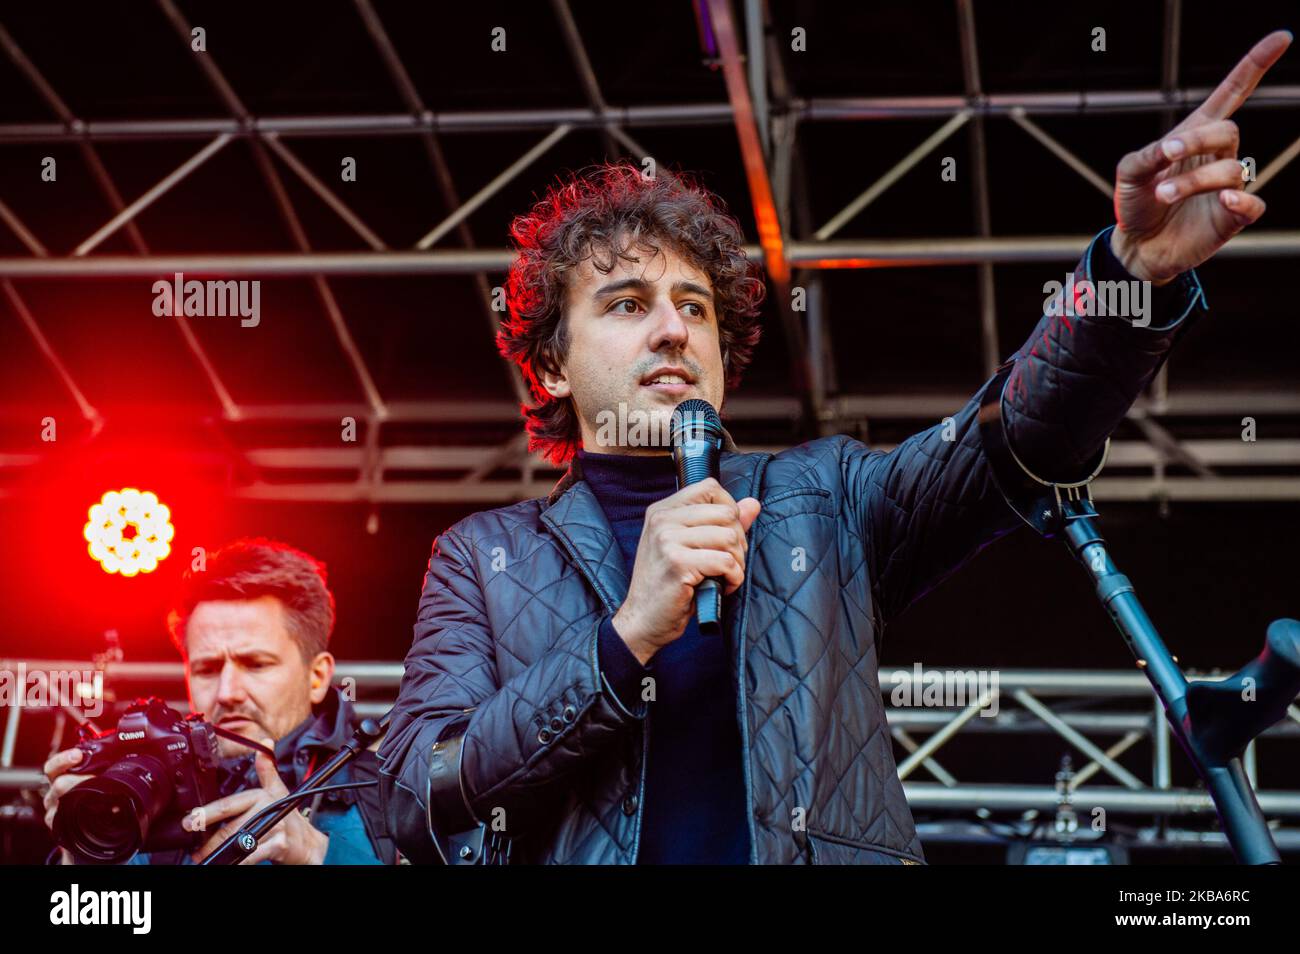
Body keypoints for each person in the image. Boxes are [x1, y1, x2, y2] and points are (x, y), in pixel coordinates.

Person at [378, 32, 1291, 864]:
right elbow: (412, 800)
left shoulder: (824, 497)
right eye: (627, 304)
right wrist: (622, 643)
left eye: (694, 307)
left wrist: (1128, 278)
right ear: (549, 368)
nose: (671, 330)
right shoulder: (482, 561)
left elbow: (1020, 436)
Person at [42, 538, 395, 865]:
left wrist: (316, 853)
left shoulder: (389, 790)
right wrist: (84, 855)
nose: (227, 692)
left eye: (256, 665)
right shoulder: (148, 800)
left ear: (317, 677)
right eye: (207, 669)